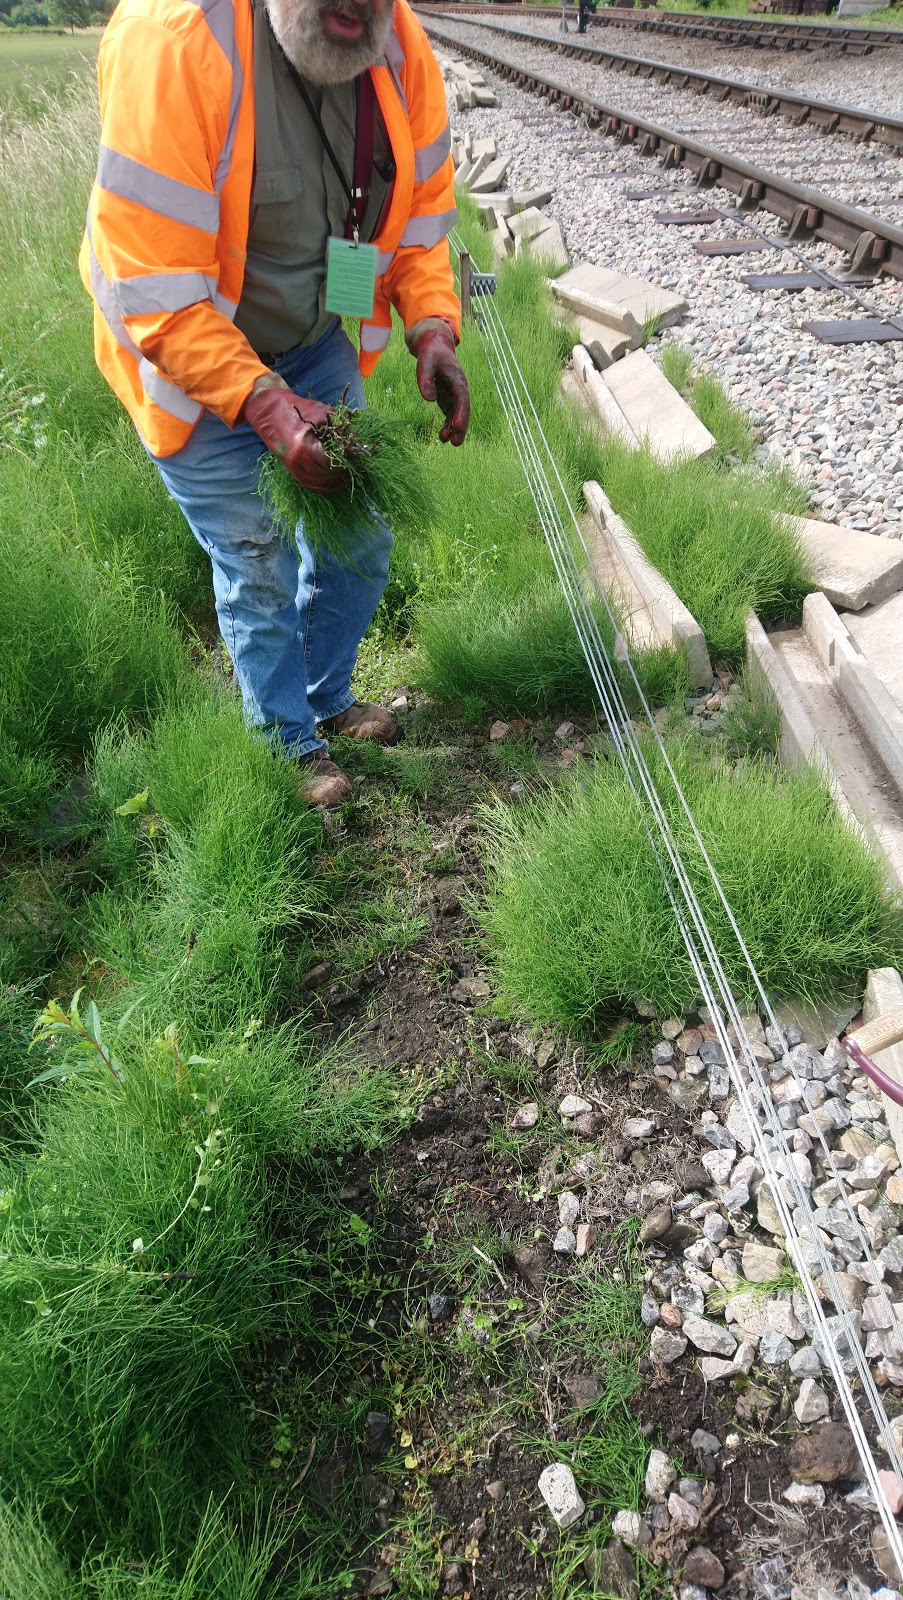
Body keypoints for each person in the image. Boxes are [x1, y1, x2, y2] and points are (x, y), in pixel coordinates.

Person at [80, 0, 470, 805]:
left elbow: (420, 217)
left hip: (317, 336)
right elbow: (154, 288)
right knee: (259, 556)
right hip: (186, 359)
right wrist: (260, 402)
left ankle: (325, 696)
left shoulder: (393, 41)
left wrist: (432, 325)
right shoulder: (175, 41)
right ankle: (286, 745)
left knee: (360, 538)